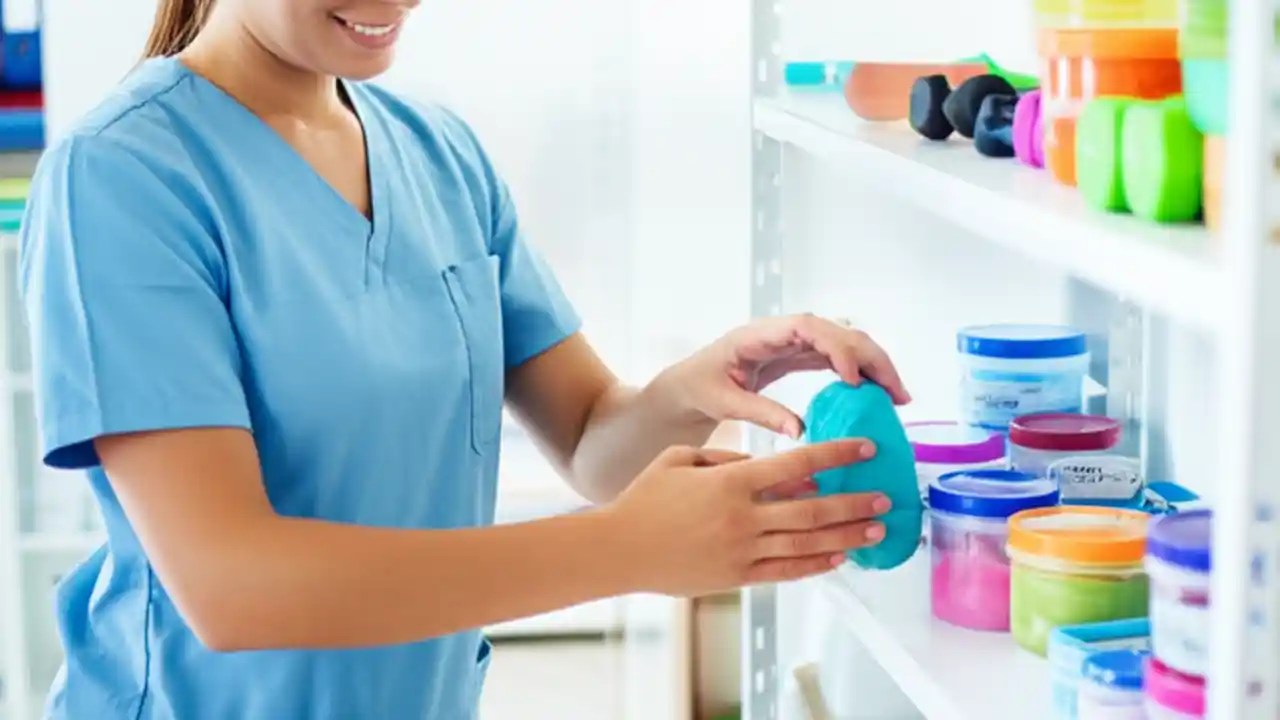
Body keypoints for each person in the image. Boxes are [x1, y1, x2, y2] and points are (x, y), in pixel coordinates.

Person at [18, 0, 912, 717]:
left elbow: (595, 442)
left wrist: (697, 386)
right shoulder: (123, 176)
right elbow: (229, 587)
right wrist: (625, 551)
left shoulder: (438, 153)